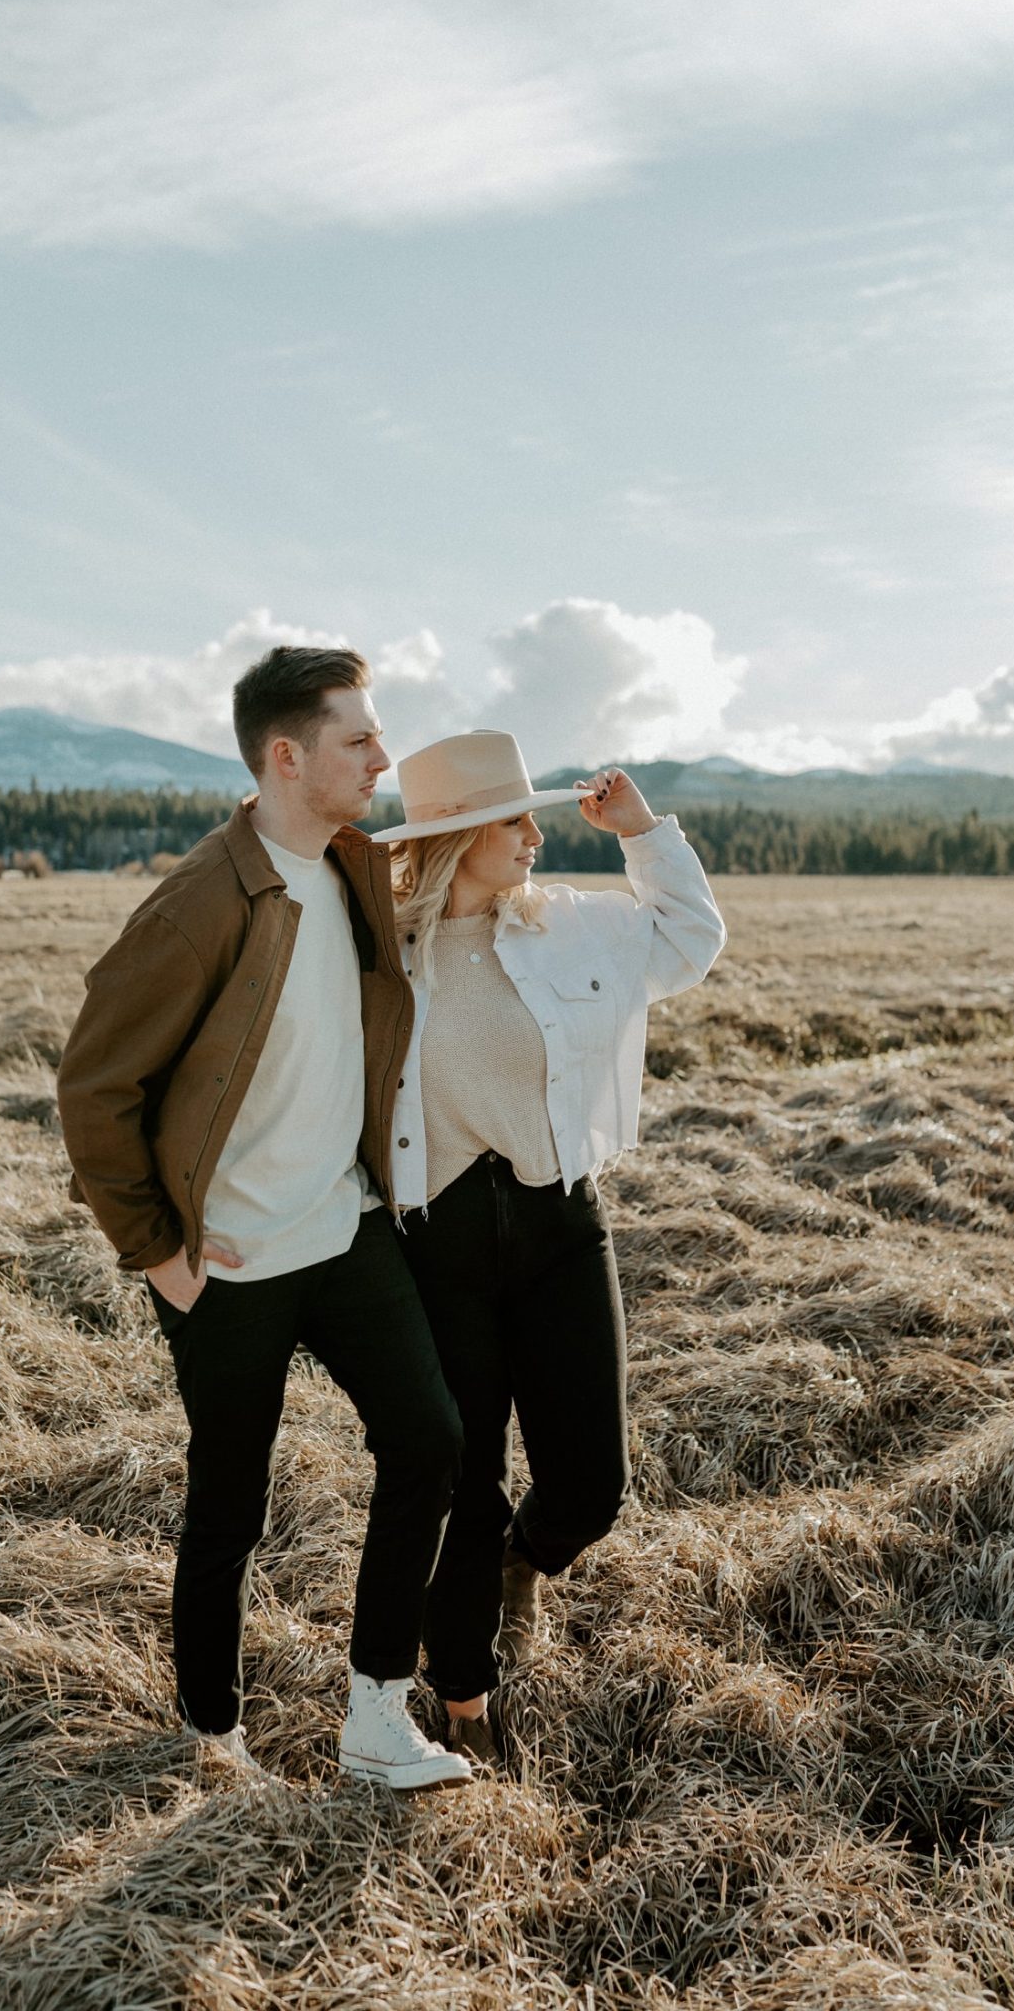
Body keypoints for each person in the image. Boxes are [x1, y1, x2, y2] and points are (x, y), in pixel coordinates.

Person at [56, 646, 473, 1791]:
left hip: (344, 1228)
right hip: (228, 1262)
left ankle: (378, 1715)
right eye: (359, 739)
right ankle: (212, 1732)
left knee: (429, 1439)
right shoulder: (200, 903)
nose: (382, 755)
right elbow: (94, 1087)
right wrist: (159, 1253)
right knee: (231, 1499)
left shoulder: (351, 867)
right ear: (286, 757)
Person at [372, 730, 726, 1765]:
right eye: (514, 821)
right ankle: (467, 1705)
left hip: (560, 1226)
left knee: (593, 1484)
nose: (536, 835)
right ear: (458, 837)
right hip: (437, 1248)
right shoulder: (378, 957)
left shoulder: (568, 927)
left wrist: (643, 833)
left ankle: (534, 1556)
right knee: (462, 1489)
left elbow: (691, 937)